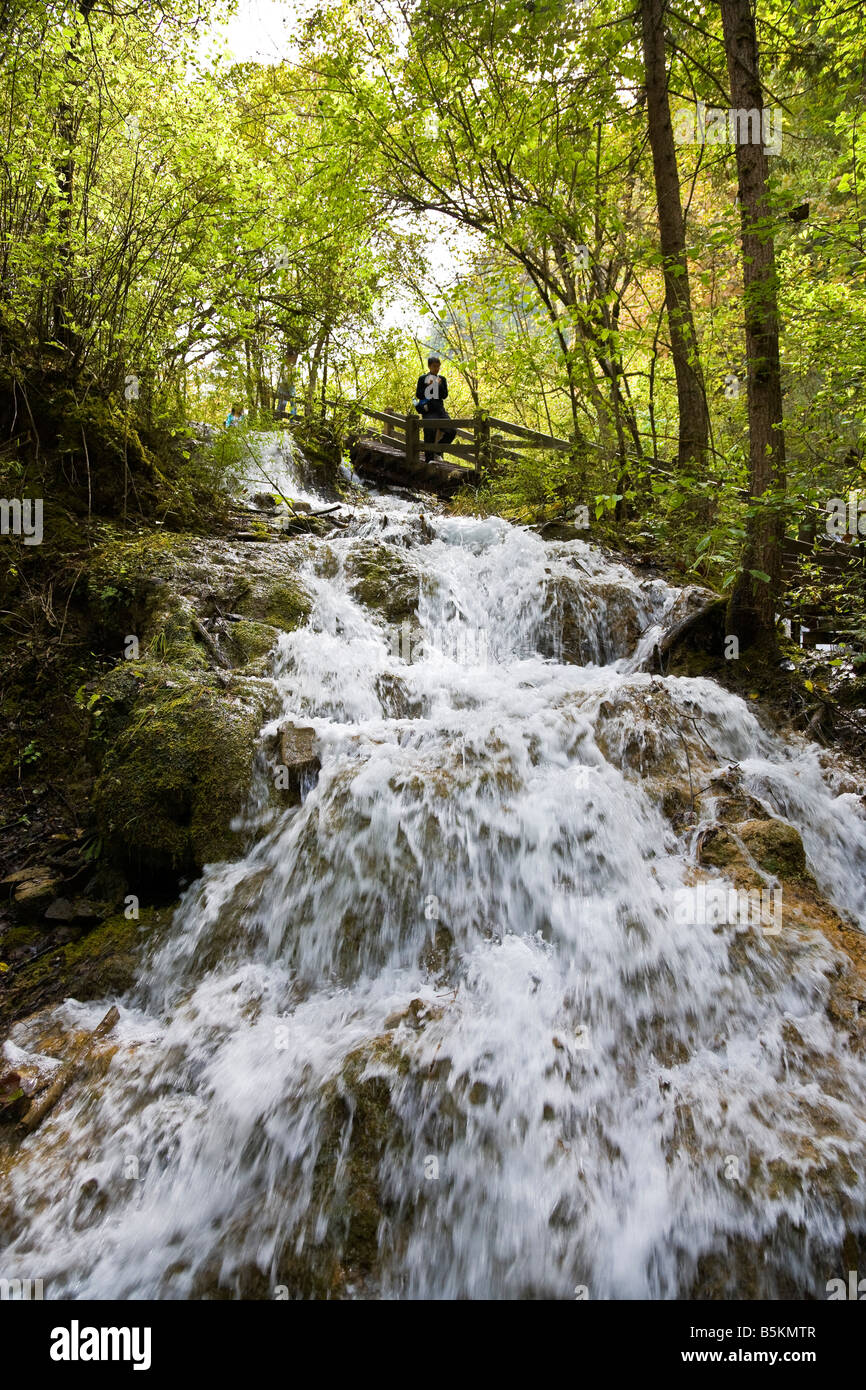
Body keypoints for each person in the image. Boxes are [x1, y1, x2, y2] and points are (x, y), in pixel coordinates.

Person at [415, 355, 456, 462]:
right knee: (429, 430)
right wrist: (427, 386)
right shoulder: (422, 378)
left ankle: (437, 452)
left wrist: (439, 385)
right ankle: (429, 459)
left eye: (438, 366)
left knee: (452, 431)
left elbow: (444, 395)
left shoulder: (442, 379)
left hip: (440, 410)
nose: (436, 369)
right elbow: (418, 395)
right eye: (434, 366)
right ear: (429, 366)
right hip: (428, 410)